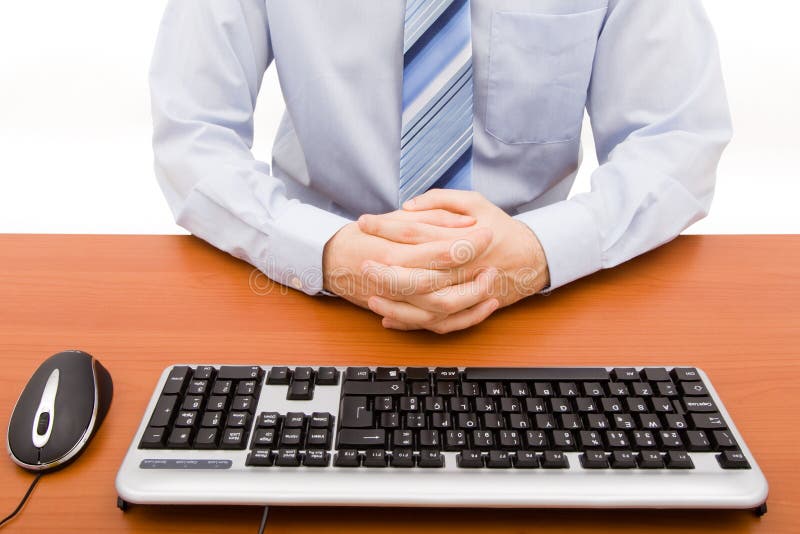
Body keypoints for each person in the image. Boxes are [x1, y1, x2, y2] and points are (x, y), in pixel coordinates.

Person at [150, 0, 731, 333]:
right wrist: (325, 252)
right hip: (311, 297)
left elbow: (677, 137)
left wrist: (540, 251)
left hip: (543, 303)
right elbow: (194, 134)